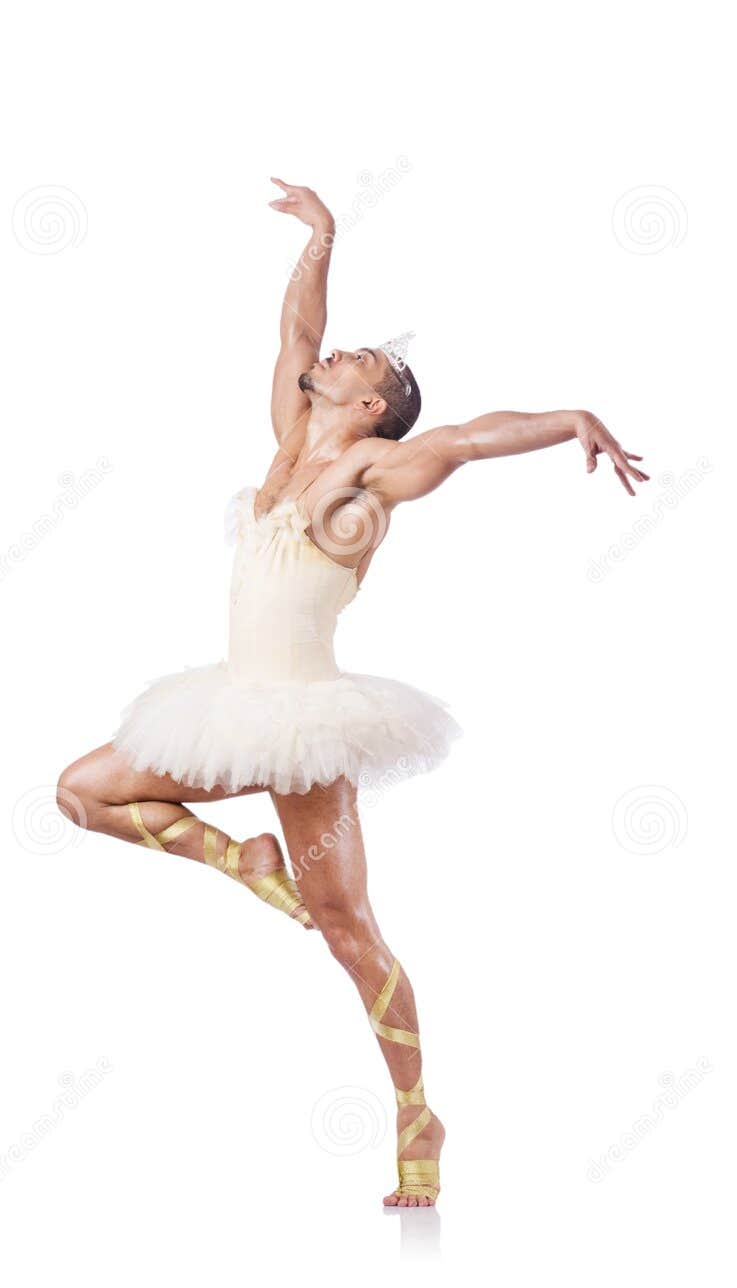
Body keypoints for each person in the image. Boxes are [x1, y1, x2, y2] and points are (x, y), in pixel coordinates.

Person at [55, 178, 647, 1207]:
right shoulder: (289, 442)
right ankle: (243, 860)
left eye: (357, 359)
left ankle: (418, 1116)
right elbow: (297, 328)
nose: (334, 354)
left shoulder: (373, 468)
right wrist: (323, 234)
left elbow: (465, 439)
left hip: (304, 725)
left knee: (346, 928)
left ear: (372, 405)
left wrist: (569, 419)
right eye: (339, 353)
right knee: (80, 792)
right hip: (225, 706)